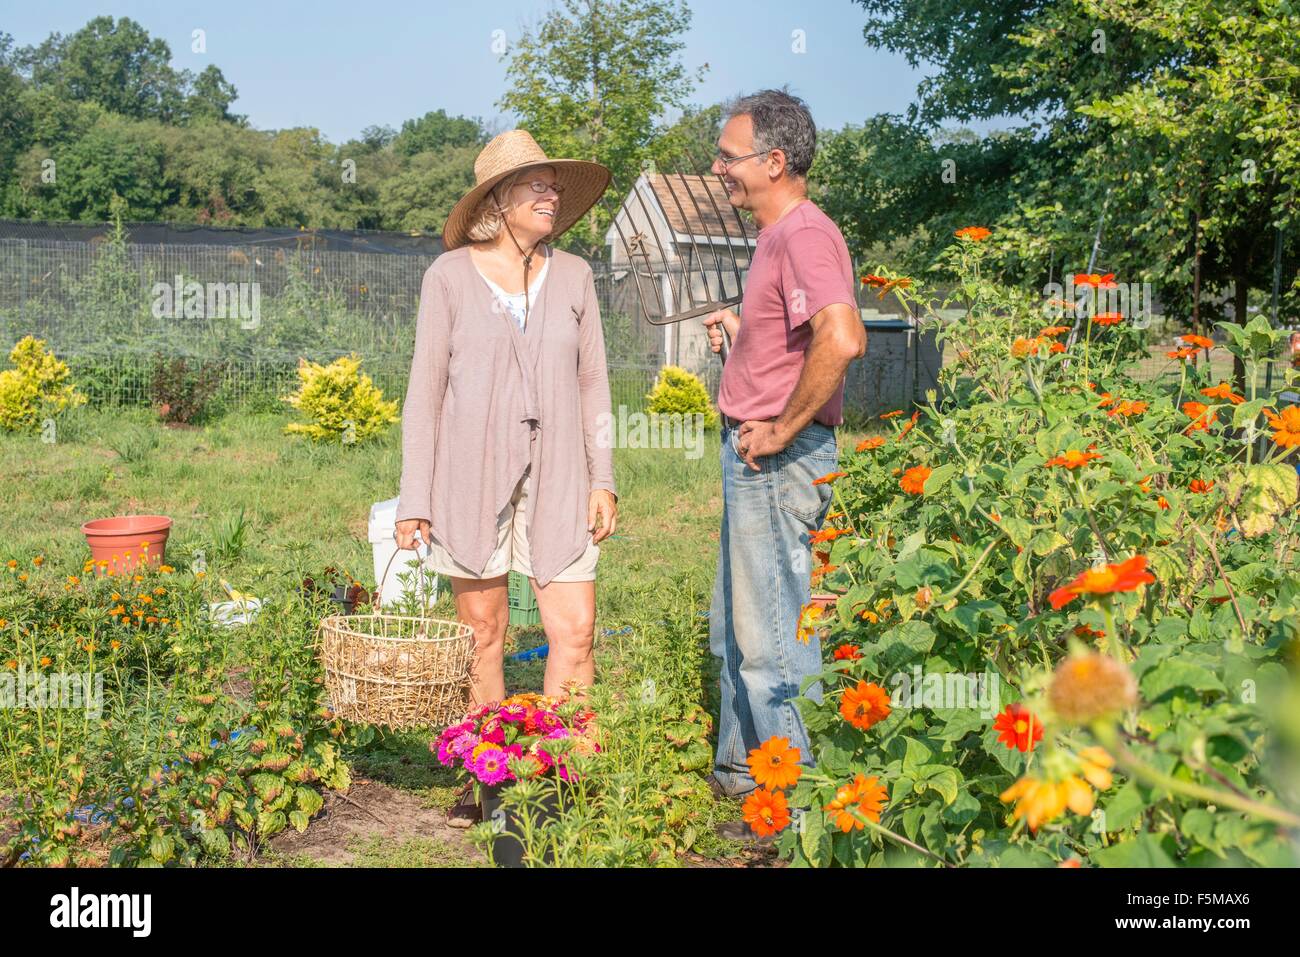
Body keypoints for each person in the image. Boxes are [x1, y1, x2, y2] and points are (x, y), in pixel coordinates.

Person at [393, 129, 618, 825]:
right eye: (536, 184)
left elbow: (594, 386)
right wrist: (415, 496)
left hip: (560, 474)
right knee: (482, 632)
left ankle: (563, 774)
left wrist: (602, 475)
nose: (551, 194)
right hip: (470, 471)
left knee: (575, 629)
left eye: (554, 184)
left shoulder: (575, 276)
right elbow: (425, 391)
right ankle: (483, 775)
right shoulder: (450, 278)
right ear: (498, 200)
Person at [701, 90, 867, 841]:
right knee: (734, 629)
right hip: (755, 457)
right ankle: (745, 774)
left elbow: (843, 337)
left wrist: (780, 428)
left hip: (777, 461)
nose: (718, 169)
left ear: (774, 161)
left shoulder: (804, 234)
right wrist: (744, 333)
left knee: (772, 638)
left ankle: (795, 811)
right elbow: (797, 341)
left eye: (729, 157)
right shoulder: (775, 238)